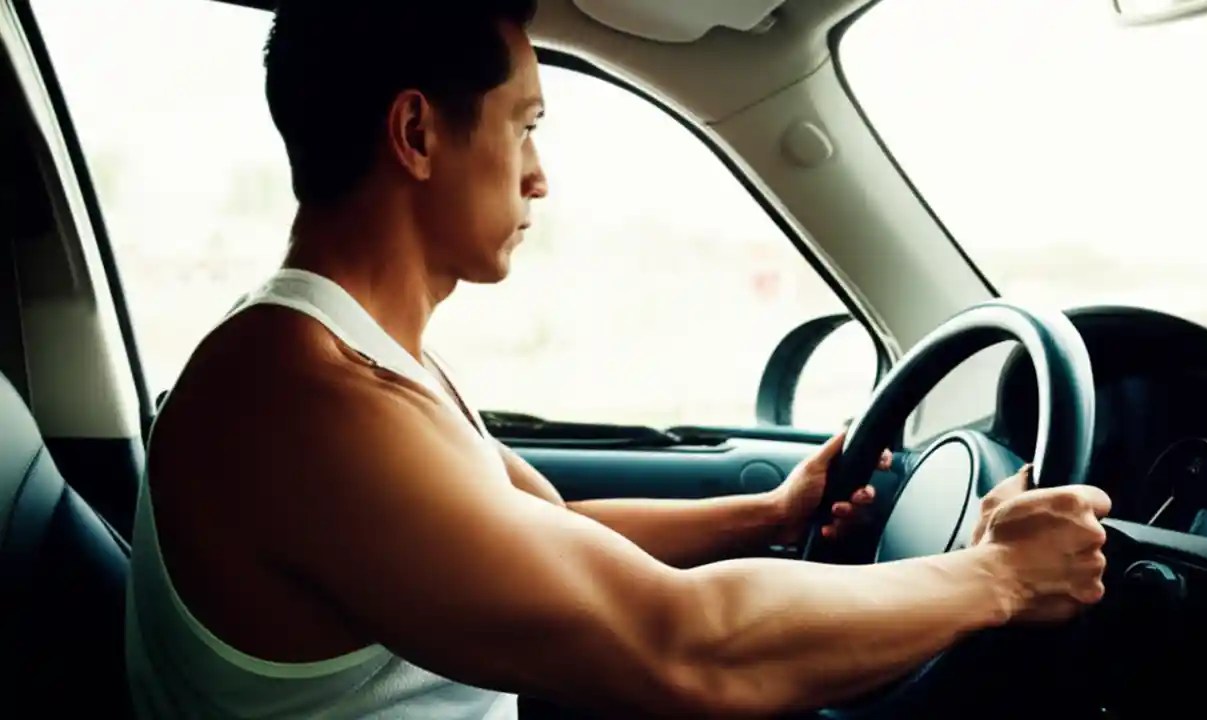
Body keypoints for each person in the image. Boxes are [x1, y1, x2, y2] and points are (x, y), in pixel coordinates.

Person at [123, 2, 1111, 718]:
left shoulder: (358, 357)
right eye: (524, 126)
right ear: (417, 134)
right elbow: (682, 649)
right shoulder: (302, 404)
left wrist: (772, 514)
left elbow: (548, 532)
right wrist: (998, 579)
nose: (539, 177)